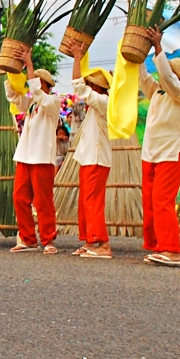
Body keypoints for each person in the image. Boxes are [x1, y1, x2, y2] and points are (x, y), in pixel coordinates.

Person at [138, 28, 180, 266]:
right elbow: (144, 79)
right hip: (151, 152)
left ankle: (172, 249)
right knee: (150, 202)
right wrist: (139, 54)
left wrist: (158, 47)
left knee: (162, 201)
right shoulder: (158, 91)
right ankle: (159, 245)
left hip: (171, 152)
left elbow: (168, 80)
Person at [7, 59, 61, 254]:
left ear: (45, 85)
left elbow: (37, 93)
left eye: (37, 80)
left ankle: (48, 240)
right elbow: (14, 97)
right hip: (25, 155)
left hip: (42, 157)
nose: (34, 83)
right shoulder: (31, 104)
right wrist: (13, 73)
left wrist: (29, 65)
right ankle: (28, 239)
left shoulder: (53, 101)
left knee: (43, 201)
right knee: (19, 198)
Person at [71, 57, 112, 259]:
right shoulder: (96, 105)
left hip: (97, 158)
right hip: (89, 158)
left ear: (97, 88)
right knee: (86, 201)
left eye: (91, 85)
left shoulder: (104, 102)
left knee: (93, 200)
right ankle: (90, 241)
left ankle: (103, 244)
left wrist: (78, 57)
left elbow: (78, 87)